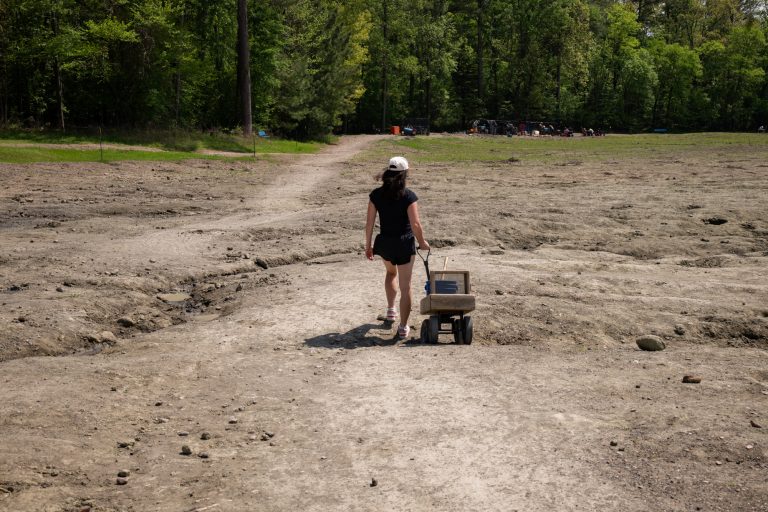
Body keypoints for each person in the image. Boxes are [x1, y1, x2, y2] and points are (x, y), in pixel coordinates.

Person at [365, 156, 430, 338]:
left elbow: (369, 223)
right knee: (405, 286)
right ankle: (403, 326)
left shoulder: (376, 195)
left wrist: (368, 246)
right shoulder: (408, 196)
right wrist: (422, 242)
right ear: (404, 174)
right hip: (403, 244)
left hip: (384, 244)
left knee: (390, 273)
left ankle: (391, 310)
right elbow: (415, 224)